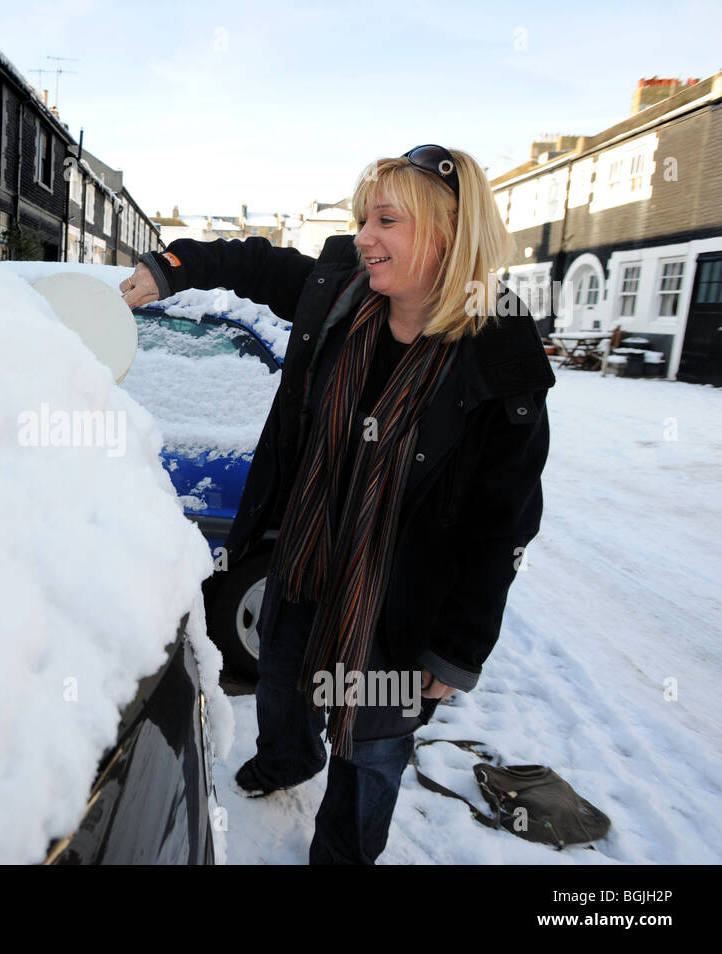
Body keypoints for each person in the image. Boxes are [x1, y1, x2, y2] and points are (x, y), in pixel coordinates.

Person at [119, 146, 556, 864]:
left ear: (447, 237)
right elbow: (256, 265)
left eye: (386, 221)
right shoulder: (342, 289)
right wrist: (174, 265)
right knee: (284, 683)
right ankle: (289, 759)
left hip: (399, 599)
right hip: (308, 553)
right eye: (362, 218)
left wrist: (459, 648)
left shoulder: (500, 357)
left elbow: (503, 521)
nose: (363, 236)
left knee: (374, 751)